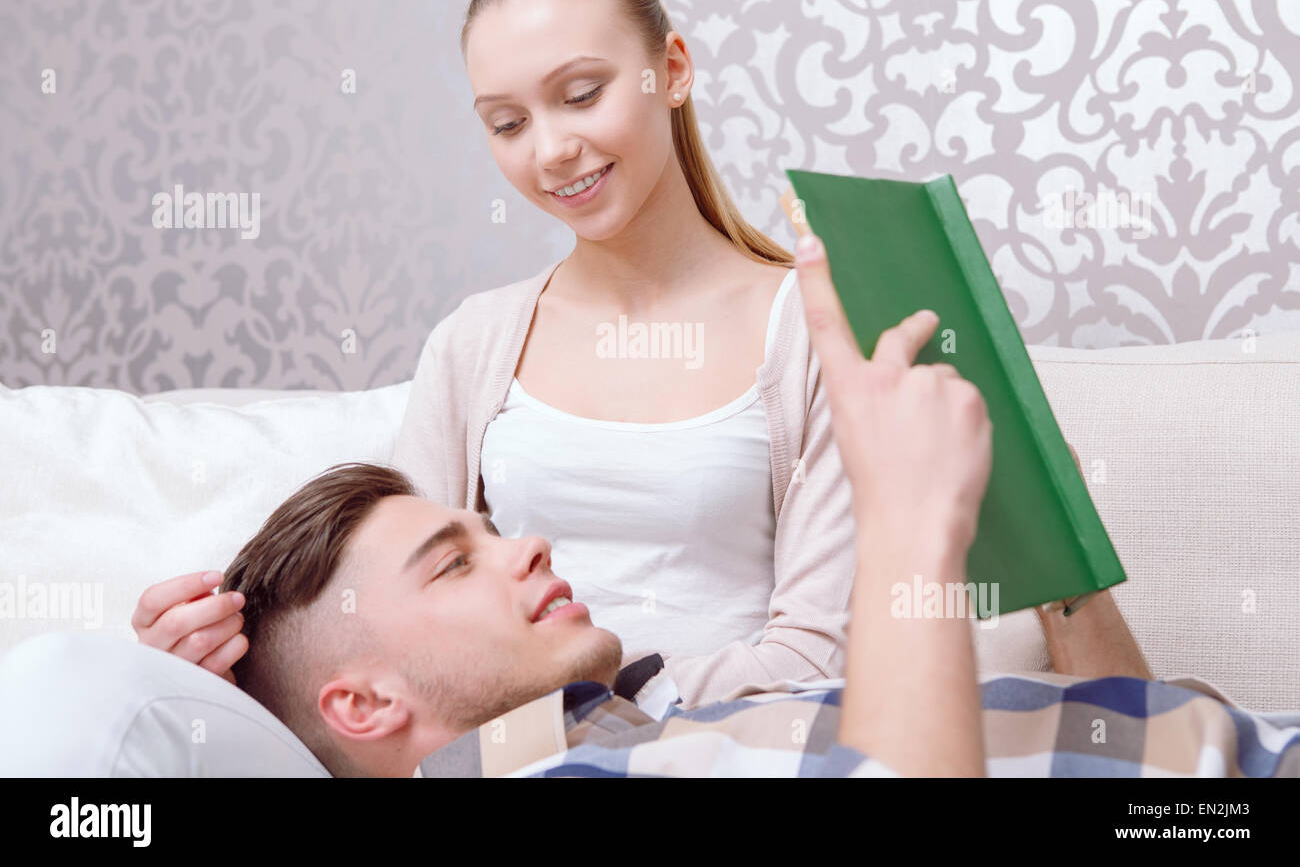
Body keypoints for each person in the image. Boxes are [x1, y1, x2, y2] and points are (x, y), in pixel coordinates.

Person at [134, 235, 1181, 778]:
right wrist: (915, 528)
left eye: (487, 529)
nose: (526, 540)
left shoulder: (657, 716)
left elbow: (1164, 747)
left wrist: (1054, 560)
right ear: (359, 706)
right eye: (455, 560)